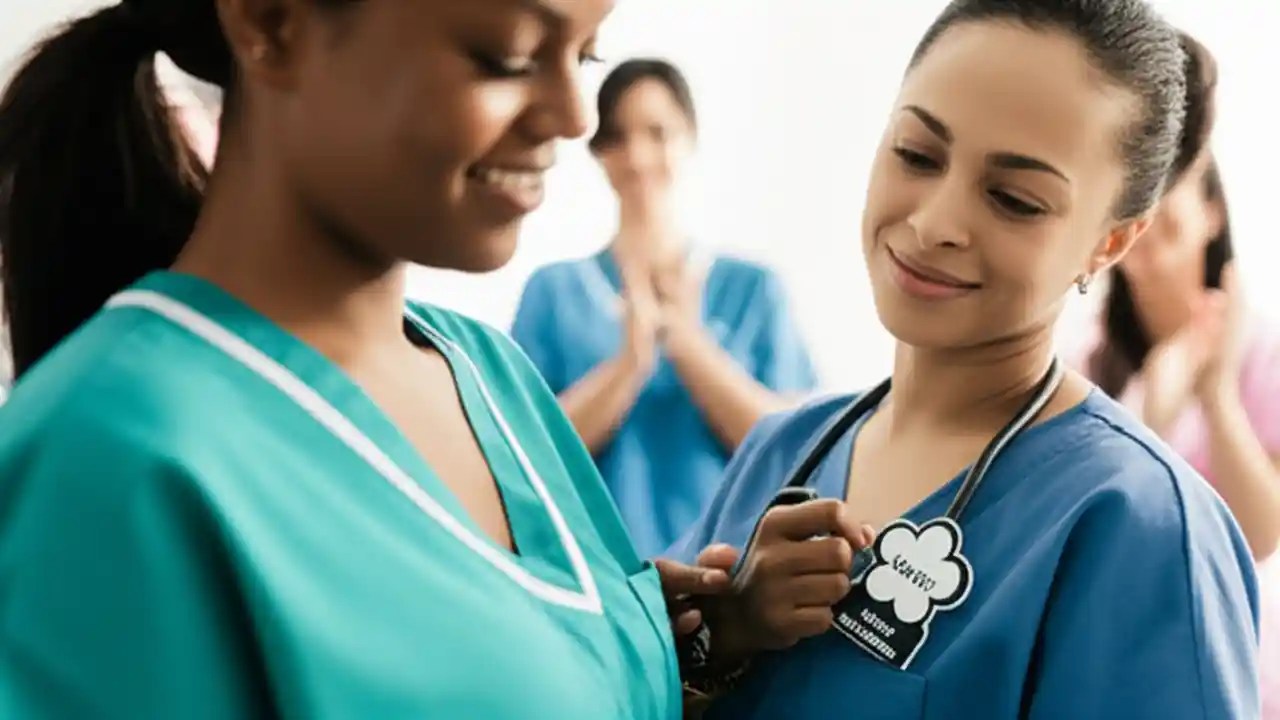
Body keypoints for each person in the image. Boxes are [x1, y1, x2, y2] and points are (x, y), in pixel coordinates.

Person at [0, 1, 750, 717]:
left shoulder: (490, 373)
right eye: (508, 55)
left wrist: (688, 638)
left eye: (585, 54)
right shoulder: (105, 453)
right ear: (273, 22)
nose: (576, 115)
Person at [669, 1, 1260, 717]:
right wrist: (720, 643)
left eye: (1014, 200)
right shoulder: (781, 455)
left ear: (1110, 244)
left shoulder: (1140, 527)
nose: (934, 223)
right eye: (917, 155)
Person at [512, 58, 819, 557]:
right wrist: (629, 363)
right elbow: (523, 454)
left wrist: (688, 347)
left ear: (690, 138)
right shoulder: (554, 291)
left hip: (728, 579)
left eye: (658, 132)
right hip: (591, 577)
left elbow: (794, 451)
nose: (637, 156)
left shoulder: (752, 288)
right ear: (597, 152)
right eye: (617, 136)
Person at [1077, 32, 1280, 718]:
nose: (1157, 207)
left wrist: (1216, 395)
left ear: (1213, 210)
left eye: (1179, 181)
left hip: (1241, 667)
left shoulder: (1263, 354)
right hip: (1126, 665)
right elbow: (1095, 535)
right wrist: (1153, 417)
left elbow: (1264, 535)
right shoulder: (1087, 363)